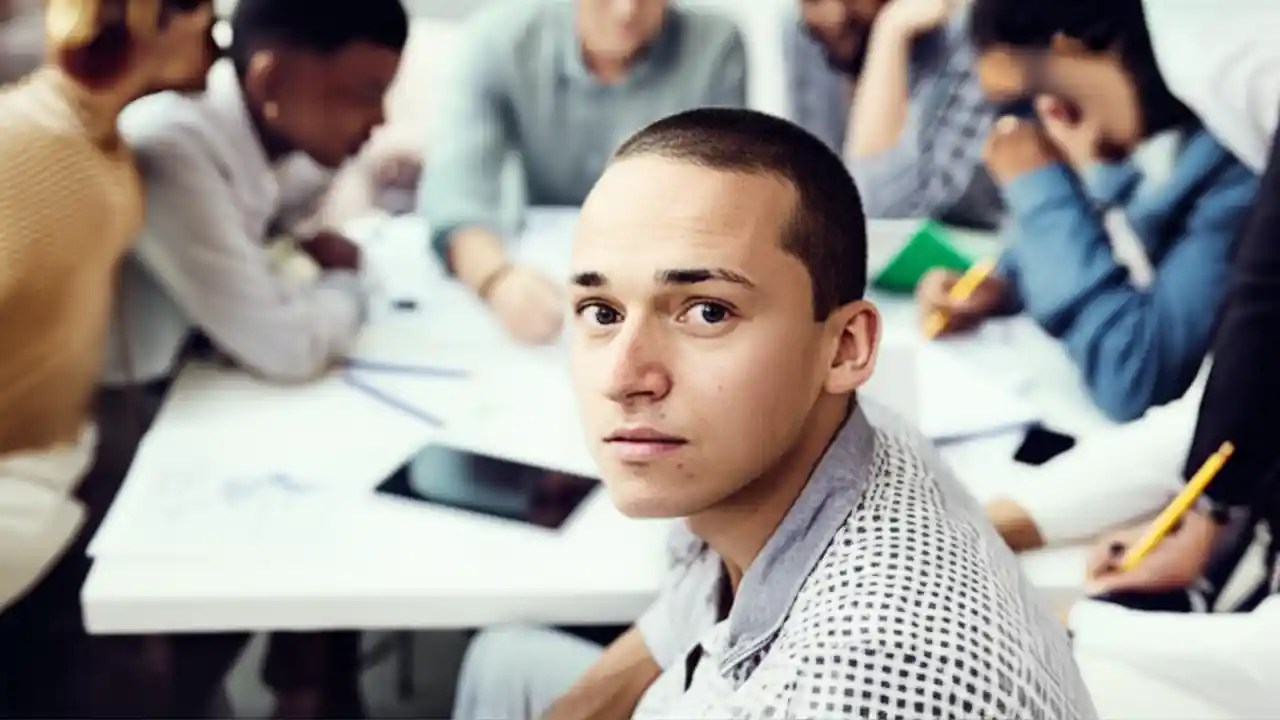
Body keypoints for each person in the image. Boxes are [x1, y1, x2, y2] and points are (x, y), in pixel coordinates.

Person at [451, 108, 1097, 719]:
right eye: (603, 313)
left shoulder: (841, 690)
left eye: (707, 311)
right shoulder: (830, 444)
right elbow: (690, 605)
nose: (624, 379)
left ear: (845, 347)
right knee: (501, 660)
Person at [0, 0, 216, 714]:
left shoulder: (98, 133)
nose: (219, 38)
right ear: (156, 20)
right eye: (205, 17)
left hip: (55, 491)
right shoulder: (31, 149)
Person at [916, 0, 1258, 422]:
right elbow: (1104, 242)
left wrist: (1042, 189)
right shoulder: (1151, 144)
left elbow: (1133, 377)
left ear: (1076, 54)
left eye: (1041, 93)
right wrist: (1007, 289)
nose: (1046, 115)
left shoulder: (1243, 164)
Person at [419, 0, 746, 346]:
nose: (626, 11)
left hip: (658, 269)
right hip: (538, 276)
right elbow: (455, 192)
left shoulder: (716, 45)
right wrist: (497, 280)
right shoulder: (498, 39)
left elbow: (720, 202)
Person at [787, 0, 1002, 227]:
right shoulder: (808, 38)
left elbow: (878, 210)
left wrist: (889, 35)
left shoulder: (970, 33)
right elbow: (815, 199)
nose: (834, 16)